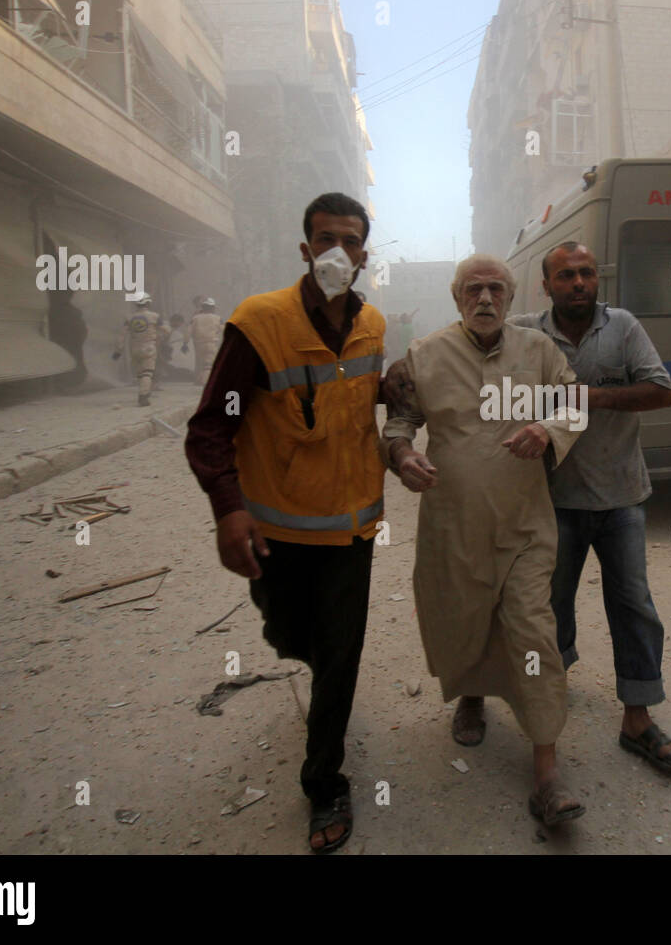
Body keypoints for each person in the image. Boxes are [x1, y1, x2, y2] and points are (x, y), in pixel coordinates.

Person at [184, 192, 386, 853]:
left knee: (339, 655)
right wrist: (229, 508)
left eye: (349, 240)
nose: (336, 251)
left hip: (352, 534)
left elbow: (365, 396)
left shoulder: (374, 326)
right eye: (323, 238)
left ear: (363, 252)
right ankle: (312, 663)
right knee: (289, 633)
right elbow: (213, 424)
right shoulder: (259, 322)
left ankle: (323, 778)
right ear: (305, 248)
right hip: (281, 536)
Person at [381, 254, 588, 827]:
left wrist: (547, 429)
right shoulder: (424, 356)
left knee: (533, 632)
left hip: (524, 525)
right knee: (465, 618)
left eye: (496, 288)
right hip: (454, 525)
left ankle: (546, 773)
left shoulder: (540, 353)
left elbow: (575, 403)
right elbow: (398, 425)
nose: (486, 299)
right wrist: (402, 456)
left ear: (512, 296)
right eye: (474, 289)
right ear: (456, 299)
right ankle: (472, 696)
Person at [509, 242, 671, 772]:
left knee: (633, 606)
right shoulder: (526, 332)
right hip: (554, 502)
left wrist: (591, 397)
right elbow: (475, 345)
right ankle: (550, 710)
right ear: (545, 286)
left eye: (586, 273)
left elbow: (662, 391)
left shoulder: (623, 327)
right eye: (565, 275)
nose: (578, 283)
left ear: (597, 278)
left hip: (621, 497)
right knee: (550, 610)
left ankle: (637, 720)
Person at [112, 293, 167, 406]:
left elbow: (122, 335)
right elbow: (166, 330)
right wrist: (160, 337)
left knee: (140, 374)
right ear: (148, 303)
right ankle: (143, 396)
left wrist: (118, 351)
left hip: (134, 349)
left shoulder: (129, 317)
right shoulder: (155, 316)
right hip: (149, 347)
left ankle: (145, 391)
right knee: (147, 372)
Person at [187, 298, 224, 385]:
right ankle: (205, 382)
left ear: (203, 307)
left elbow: (188, 331)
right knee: (208, 364)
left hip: (198, 344)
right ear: (213, 308)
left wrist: (185, 343)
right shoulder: (218, 318)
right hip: (212, 343)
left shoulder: (195, 318)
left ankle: (198, 380)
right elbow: (224, 331)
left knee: (200, 363)